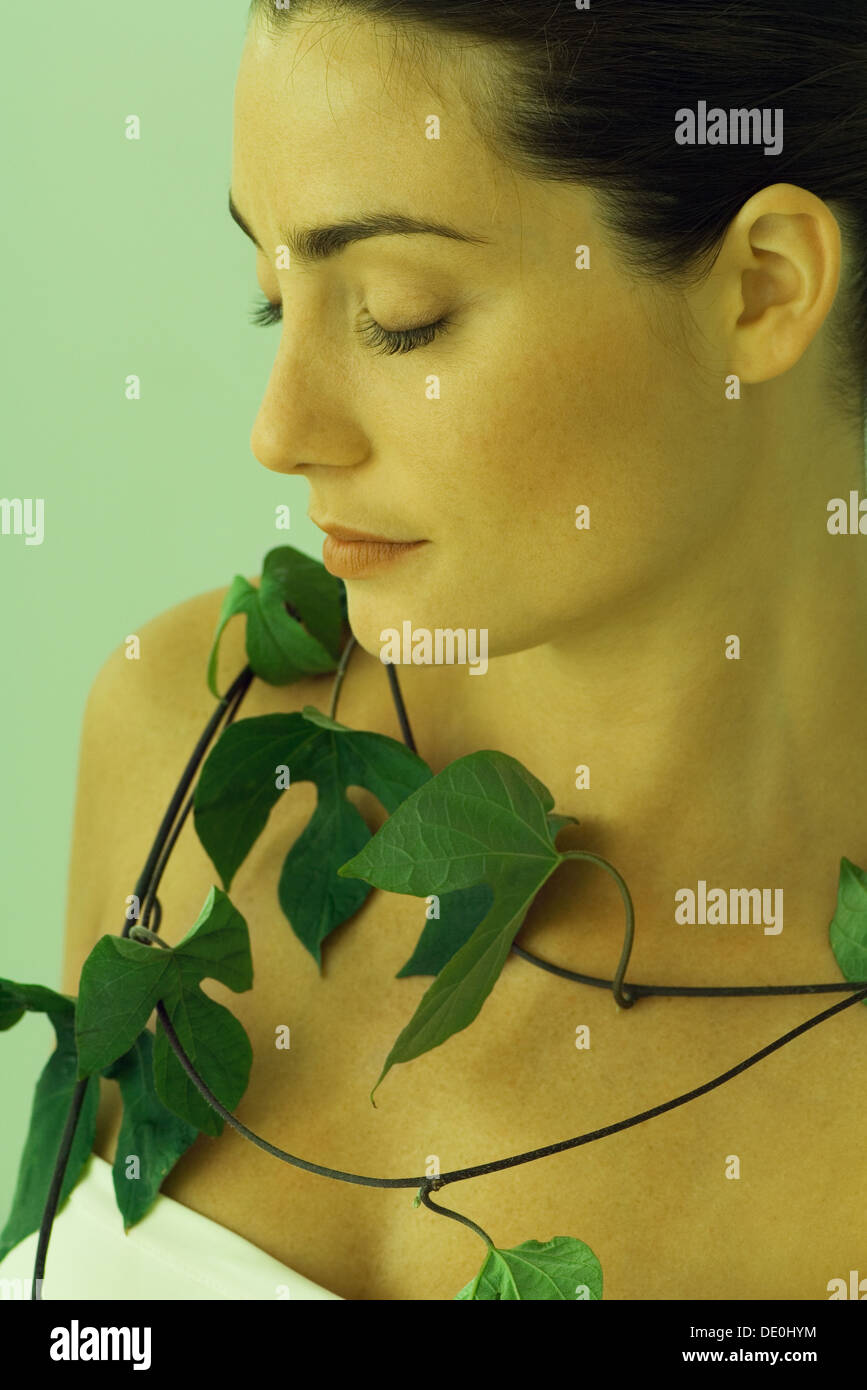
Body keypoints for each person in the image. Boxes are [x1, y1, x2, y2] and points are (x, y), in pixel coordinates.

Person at [15, 0, 867, 1300]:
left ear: (764, 286)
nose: (282, 428)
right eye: (272, 302)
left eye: (399, 317)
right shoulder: (181, 730)